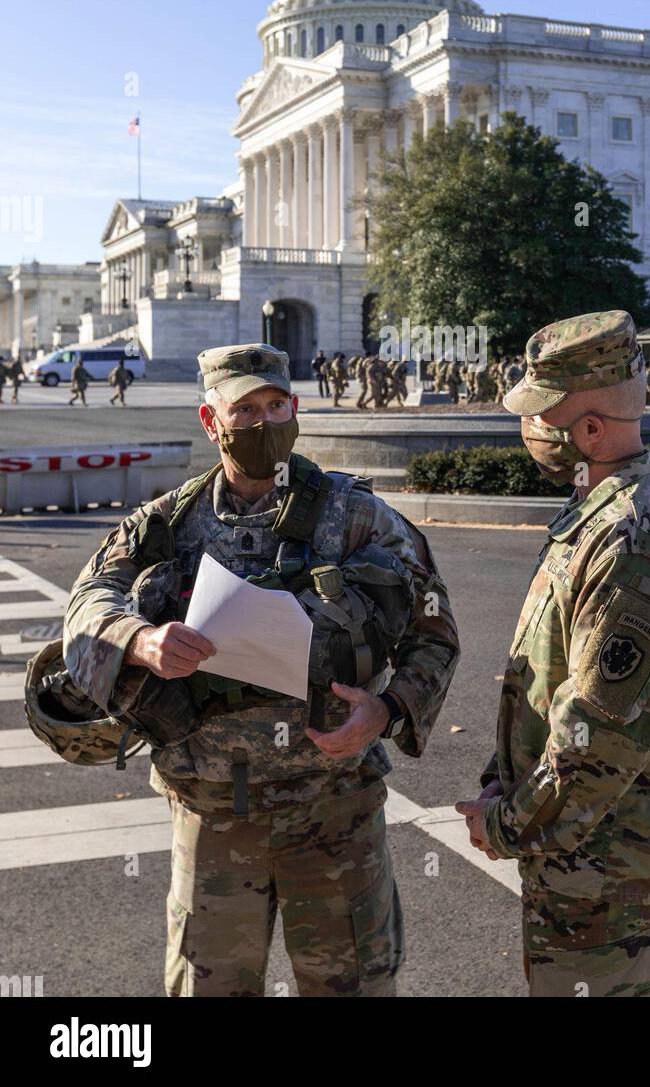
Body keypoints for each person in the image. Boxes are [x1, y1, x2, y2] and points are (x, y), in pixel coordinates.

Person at [62, 343, 459, 997]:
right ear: (210, 420)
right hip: (213, 816)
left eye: (277, 405)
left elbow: (434, 628)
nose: (265, 422)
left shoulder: (353, 515)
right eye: (245, 409)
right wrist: (140, 638)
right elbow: (85, 603)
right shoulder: (170, 521)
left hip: (335, 811)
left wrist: (386, 712)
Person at [456, 310, 650, 998]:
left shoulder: (635, 545)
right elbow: (553, 686)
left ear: (592, 431)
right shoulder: (603, 519)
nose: (532, 431)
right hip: (591, 864)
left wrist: (508, 823)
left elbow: (599, 742)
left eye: (543, 416)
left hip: (611, 880)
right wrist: (504, 774)